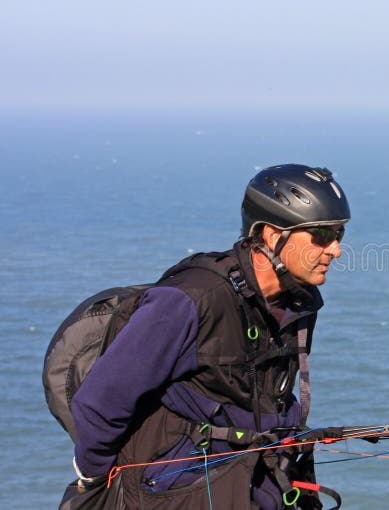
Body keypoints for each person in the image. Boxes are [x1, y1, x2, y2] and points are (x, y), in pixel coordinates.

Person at [69, 164, 350, 509]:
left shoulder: (297, 302)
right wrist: (96, 484)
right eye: (321, 236)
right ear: (272, 235)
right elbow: (100, 402)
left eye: (339, 234)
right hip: (177, 494)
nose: (335, 250)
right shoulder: (190, 301)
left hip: (255, 484)